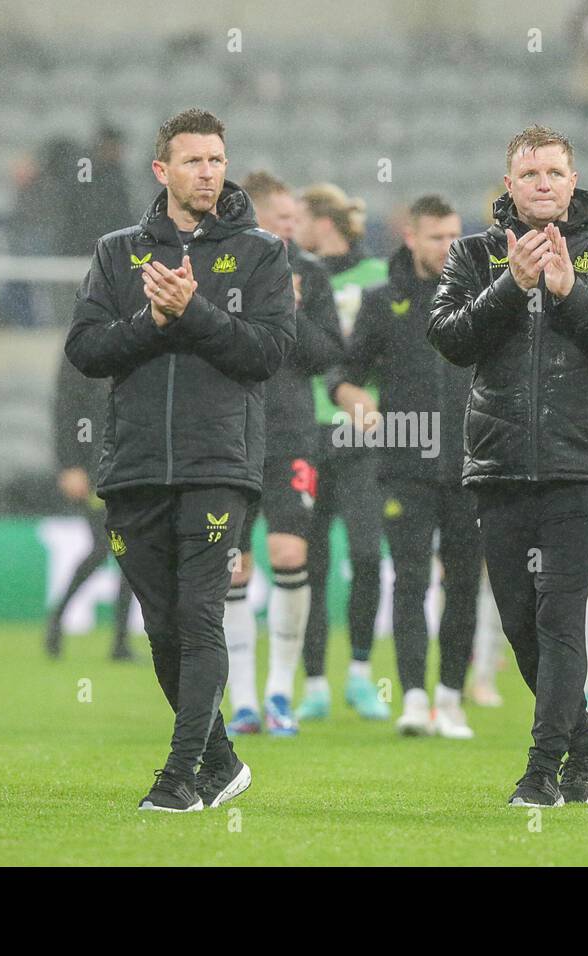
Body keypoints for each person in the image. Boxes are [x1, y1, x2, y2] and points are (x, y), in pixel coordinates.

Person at [65, 108, 295, 812]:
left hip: (218, 462)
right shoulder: (116, 252)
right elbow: (85, 349)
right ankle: (220, 761)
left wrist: (193, 313)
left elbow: (268, 354)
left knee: (199, 619)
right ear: (162, 169)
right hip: (133, 466)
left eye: (216, 160)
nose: (208, 172)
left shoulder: (261, 253)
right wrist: (150, 322)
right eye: (193, 160)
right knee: (162, 627)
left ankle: (178, 779)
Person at [429, 125, 588, 807]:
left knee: (560, 616)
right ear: (509, 184)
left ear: (573, 181)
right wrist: (513, 285)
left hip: (580, 465)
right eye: (528, 173)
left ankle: (542, 770)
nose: (542, 184)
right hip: (498, 463)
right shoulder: (473, 254)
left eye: (554, 173)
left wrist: (571, 292)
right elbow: (448, 338)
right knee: (520, 624)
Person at [329, 195, 479, 739]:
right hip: (403, 463)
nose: (448, 247)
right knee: (410, 580)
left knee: (463, 585)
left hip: (471, 467)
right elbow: (344, 373)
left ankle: (451, 698)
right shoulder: (382, 300)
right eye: (436, 237)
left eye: (454, 236)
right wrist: (354, 398)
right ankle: (414, 698)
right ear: (411, 237)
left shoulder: (481, 300)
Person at [223, 171, 344, 737]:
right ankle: (243, 699)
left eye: (296, 219)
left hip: (294, 431)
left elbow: (327, 356)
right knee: (234, 566)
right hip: (232, 431)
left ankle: (280, 694)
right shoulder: (226, 267)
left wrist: (289, 309)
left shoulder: (313, 277)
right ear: (259, 219)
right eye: (283, 219)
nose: (293, 228)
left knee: (290, 553)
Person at [291, 184, 390, 723]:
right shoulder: (295, 275)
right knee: (310, 562)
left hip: (363, 435)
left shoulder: (378, 279)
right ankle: (312, 682)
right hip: (308, 431)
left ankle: (358, 672)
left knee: (368, 555)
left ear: (321, 221)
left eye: (300, 217)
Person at [46, 349, 135, 661]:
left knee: (132, 552)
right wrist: (69, 464)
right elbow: (65, 407)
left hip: (130, 464)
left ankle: (120, 642)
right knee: (102, 548)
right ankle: (57, 620)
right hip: (94, 467)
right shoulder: (81, 343)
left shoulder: (132, 334)